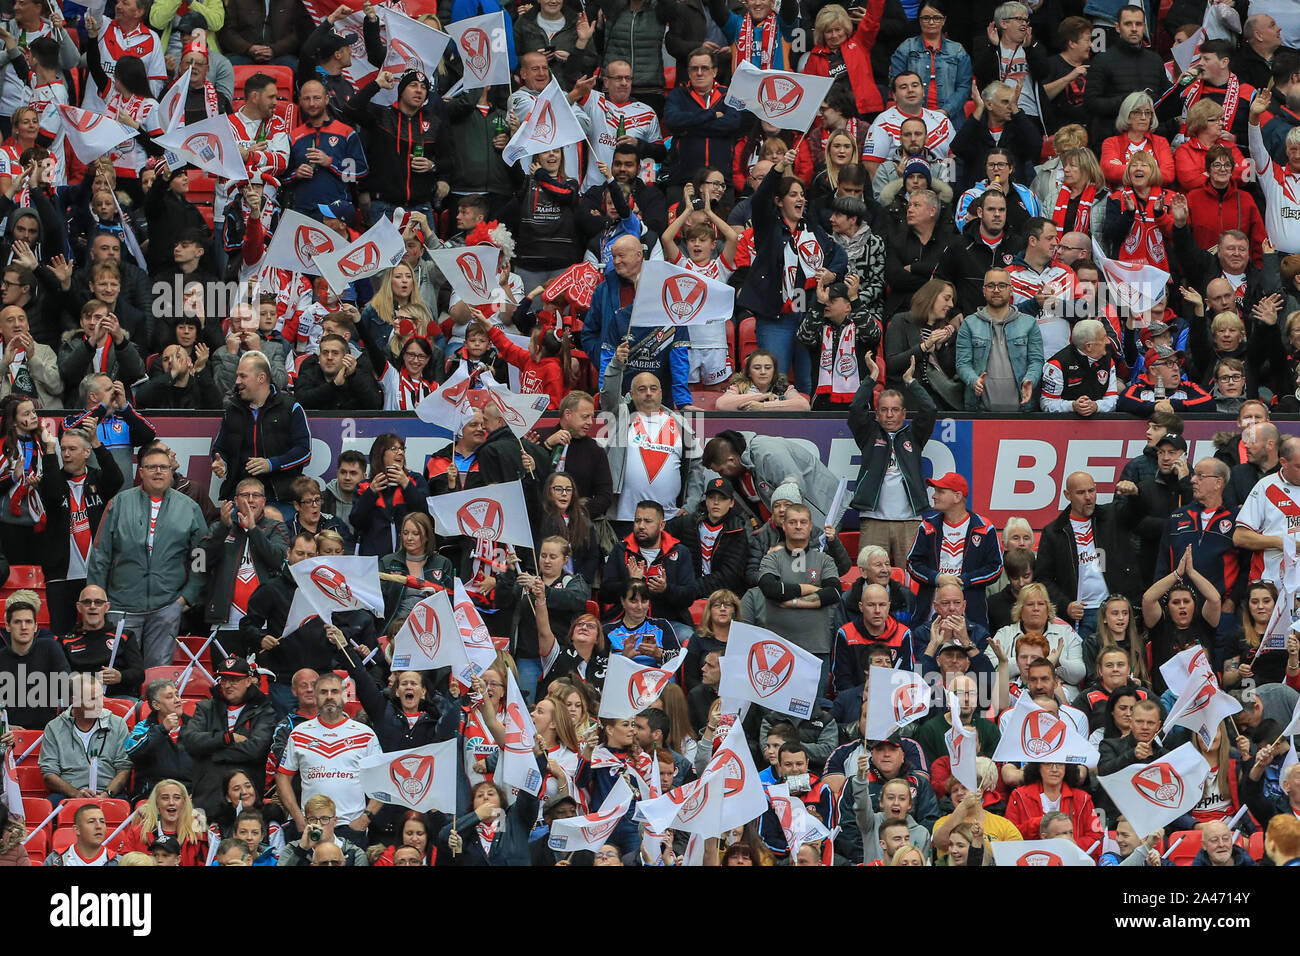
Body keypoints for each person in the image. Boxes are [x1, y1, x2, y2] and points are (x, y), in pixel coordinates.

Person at [86, 444, 206, 671]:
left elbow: (200, 556)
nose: (158, 472)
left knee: (158, 675)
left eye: (163, 467)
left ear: (172, 471)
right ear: (141, 472)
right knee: (116, 670)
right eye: (151, 467)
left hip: (166, 605)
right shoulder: (119, 503)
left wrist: (187, 597)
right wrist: (97, 598)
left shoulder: (189, 508)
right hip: (121, 605)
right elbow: (101, 553)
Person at [848, 355, 936, 567]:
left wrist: (910, 381)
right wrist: (872, 378)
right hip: (874, 519)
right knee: (870, 577)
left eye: (895, 410)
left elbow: (930, 409)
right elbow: (855, 409)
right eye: (884, 410)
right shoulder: (868, 434)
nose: (889, 415)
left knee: (912, 576)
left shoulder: (914, 435)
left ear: (904, 413)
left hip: (909, 521)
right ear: (876, 414)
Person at [276, 672, 382, 845]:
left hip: (351, 827)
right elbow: (282, 777)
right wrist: (298, 817)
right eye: (324, 692)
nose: (329, 697)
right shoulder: (299, 733)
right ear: (316, 696)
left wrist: (365, 819)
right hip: (312, 828)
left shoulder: (365, 734)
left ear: (345, 694)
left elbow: (383, 779)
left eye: (334, 691)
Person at [1036, 471, 1141, 642]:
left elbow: (1138, 515)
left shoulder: (1112, 516)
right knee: (1084, 668)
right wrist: (1065, 605)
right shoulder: (1054, 531)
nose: (1088, 497)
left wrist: (1136, 496)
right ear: (1067, 495)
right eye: (1080, 492)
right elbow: (1043, 578)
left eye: (1091, 491)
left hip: (1115, 610)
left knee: (1120, 665)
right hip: (1081, 616)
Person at [210, 352, 312, 516]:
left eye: (243, 376)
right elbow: (219, 449)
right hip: (241, 498)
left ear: (261, 378)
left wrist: (272, 464)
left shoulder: (290, 407)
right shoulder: (232, 410)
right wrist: (222, 464)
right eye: (237, 376)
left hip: (280, 498)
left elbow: (304, 451)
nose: (237, 382)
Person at [180, 655, 277, 817]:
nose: (227, 685)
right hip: (206, 798)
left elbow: (256, 749)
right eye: (223, 680)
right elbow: (190, 741)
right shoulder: (205, 707)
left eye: (234, 680)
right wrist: (228, 738)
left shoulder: (264, 710)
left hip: (246, 801)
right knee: (200, 840)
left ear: (249, 681)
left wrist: (212, 752)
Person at [907, 472, 1003, 631]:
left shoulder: (984, 527)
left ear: (957, 496)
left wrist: (965, 580)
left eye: (940, 492)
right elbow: (912, 564)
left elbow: (996, 567)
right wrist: (937, 578)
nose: (934, 496)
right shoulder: (927, 526)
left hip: (972, 615)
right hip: (929, 615)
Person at [701, 429, 842, 530]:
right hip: (791, 526)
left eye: (720, 470)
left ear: (731, 460)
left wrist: (771, 527)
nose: (721, 475)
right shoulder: (739, 470)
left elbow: (794, 493)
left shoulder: (769, 453)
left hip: (825, 514)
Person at [955, 266, 1043, 412]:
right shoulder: (969, 324)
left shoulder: (1029, 323)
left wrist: (1030, 380)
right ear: (984, 290)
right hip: (979, 411)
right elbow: (962, 364)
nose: (996, 290)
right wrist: (973, 380)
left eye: (1002, 285)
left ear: (1011, 290)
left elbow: (1036, 361)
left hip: (1022, 411)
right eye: (991, 285)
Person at [39, 673, 131, 801]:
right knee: (47, 806)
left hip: (109, 793)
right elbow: (49, 774)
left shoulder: (117, 724)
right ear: (74, 700)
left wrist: (106, 794)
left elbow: (124, 769)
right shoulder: (54, 728)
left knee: (123, 808)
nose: (100, 704)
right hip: (68, 793)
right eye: (92, 699)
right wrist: (76, 794)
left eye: (100, 697)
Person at [666, 477, 749, 601]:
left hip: (722, 595)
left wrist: (692, 589)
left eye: (722, 499)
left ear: (732, 503)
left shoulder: (737, 531)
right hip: (687, 591)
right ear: (705, 501)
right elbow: (663, 538)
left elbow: (729, 575)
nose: (716, 503)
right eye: (711, 498)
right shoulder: (687, 523)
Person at [58, 585, 144, 700]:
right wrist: (91, 678)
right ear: (79, 607)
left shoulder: (124, 636)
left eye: (98, 602)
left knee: (137, 706)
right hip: (80, 699)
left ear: (107, 607)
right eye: (87, 602)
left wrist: (120, 676)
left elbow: (139, 674)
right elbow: (61, 679)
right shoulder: (65, 641)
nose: (92, 606)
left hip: (118, 698)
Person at [123, 678, 194, 798]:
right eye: (170, 697)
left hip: (190, 794)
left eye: (177, 695)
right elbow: (133, 751)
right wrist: (162, 729)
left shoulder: (195, 726)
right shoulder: (143, 727)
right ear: (156, 705)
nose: (178, 700)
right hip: (152, 795)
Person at [277, 794, 370, 866]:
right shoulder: (292, 849)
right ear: (306, 822)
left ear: (335, 821)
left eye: (325, 819)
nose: (318, 825)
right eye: (312, 819)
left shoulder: (354, 853)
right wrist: (301, 850)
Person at [43, 802, 117, 866]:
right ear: (77, 830)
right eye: (91, 821)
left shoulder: (118, 862)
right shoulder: (55, 860)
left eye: (102, 821)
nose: (99, 826)